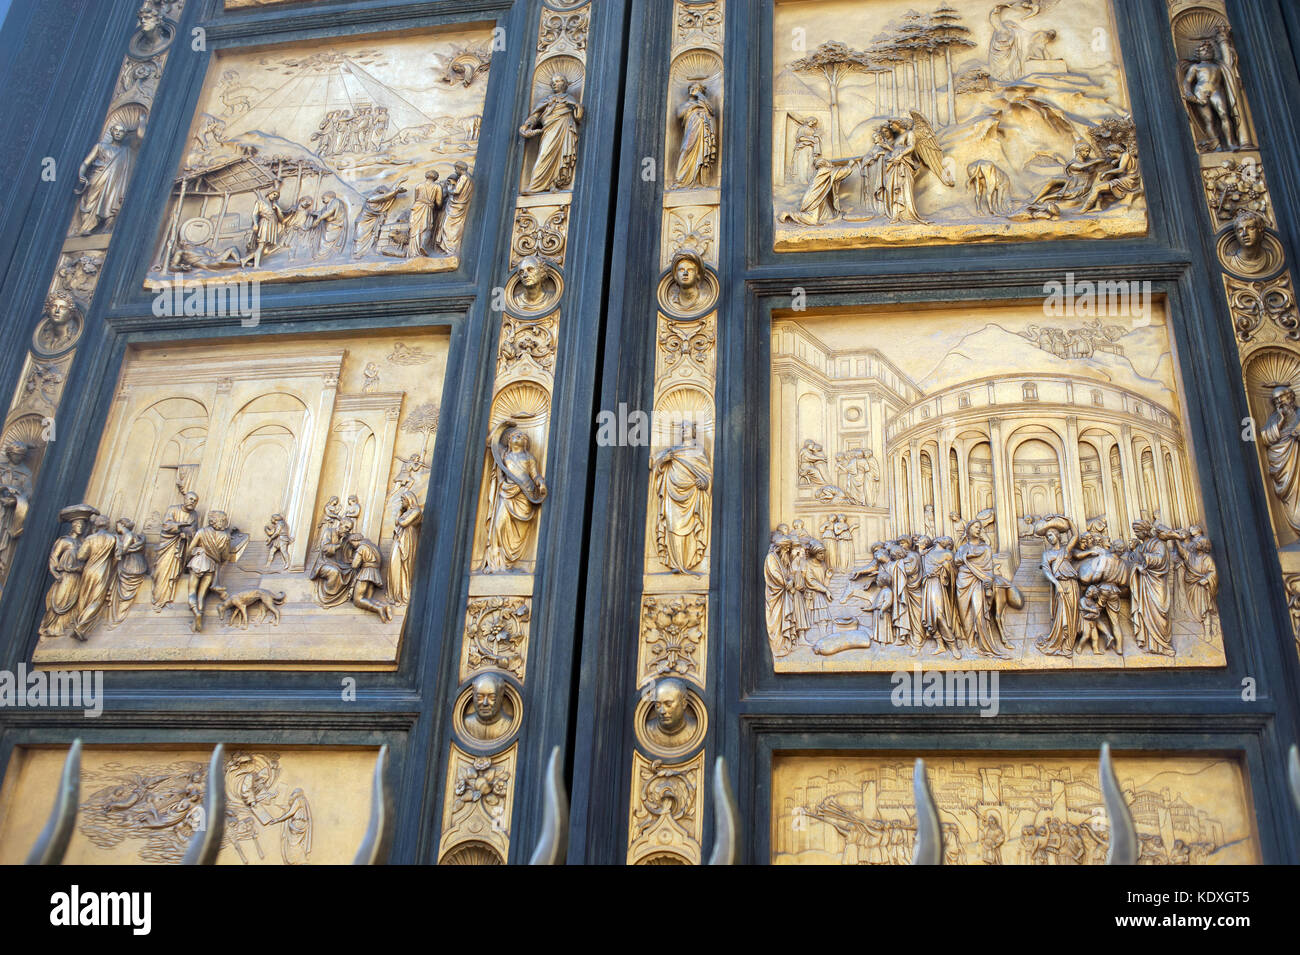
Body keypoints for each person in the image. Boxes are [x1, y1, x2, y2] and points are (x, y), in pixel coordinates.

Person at [481, 425, 547, 572]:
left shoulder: (529, 458)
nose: (520, 437)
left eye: (523, 436)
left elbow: (534, 475)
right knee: (499, 523)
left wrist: (541, 483)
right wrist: (500, 428)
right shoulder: (505, 455)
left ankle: (513, 562)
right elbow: (490, 443)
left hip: (524, 495)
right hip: (507, 493)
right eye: (517, 435)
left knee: (520, 531)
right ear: (509, 441)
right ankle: (497, 562)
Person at [650, 420, 710, 573]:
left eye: (687, 428)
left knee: (689, 529)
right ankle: (676, 563)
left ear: (694, 431)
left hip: (691, 496)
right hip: (672, 494)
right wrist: (664, 460)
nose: (684, 430)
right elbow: (655, 465)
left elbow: (706, 476)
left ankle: (686, 562)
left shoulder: (698, 452)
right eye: (682, 428)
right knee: (672, 527)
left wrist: (703, 483)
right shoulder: (673, 452)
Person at [520, 74, 584, 193]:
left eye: (558, 81)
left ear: (565, 84)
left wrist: (577, 107)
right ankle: (534, 186)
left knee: (561, 155)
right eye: (553, 82)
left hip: (563, 128)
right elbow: (536, 115)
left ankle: (555, 183)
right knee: (544, 154)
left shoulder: (570, 99)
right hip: (549, 130)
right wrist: (527, 125)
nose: (555, 84)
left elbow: (578, 116)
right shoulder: (546, 100)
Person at [151, 491, 198, 610]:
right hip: (168, 545)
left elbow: (193, 532)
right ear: (185, 498)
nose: (192, 501)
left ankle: (167, 599)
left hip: (181, 548)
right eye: (190, 499)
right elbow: (166, 525)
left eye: (195, 500)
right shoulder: (173, 509)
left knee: (174, 572)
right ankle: (158, 600)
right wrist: (180, 526)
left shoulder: (194, 515)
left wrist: (186, 534)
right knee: (162, 570)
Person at [672, 83, 717, 188]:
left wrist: (701, 97)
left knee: (701, 154)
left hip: (701, 133)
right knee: (686, 150)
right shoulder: (688, 104)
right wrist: (695, 106)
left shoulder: (703, 104)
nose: (693, 89)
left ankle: (698, 180)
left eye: (696, 88)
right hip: (691, 131)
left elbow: (712, 111)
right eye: (692, 88)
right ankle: (680, 179)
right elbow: (679, 113)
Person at [387, 491, 422, 606]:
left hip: (408, 541)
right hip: (399, 539)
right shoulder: (405, 512)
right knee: (394, 564)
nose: (401, 502)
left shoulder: (416, 511)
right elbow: (398, 522)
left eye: (403, 500)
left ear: (409, 500)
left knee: (405, 566)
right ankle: (395, 593)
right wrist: (400, 512)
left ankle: (403, 594)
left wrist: (401, 515)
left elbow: (403, 523)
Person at [435, 162, 474, 253]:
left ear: (459, 168)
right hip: (460, 205)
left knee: (448, 226)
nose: (455, 171)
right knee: (452, 227)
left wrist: (449, 188)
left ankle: (450, 249)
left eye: (456, 169)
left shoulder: (464, 177)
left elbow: (457, 191)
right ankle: (448, 249)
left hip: (456, 206)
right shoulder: (469, 178)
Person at [407, 170, 444, 257]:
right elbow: (439, 203)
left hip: (416, 208)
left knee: (414, 229)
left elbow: (416, 200)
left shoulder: (418, 186)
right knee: (426, 227)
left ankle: (412, 252)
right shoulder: (437, 187)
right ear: (436, 177)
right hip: (426, 208)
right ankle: (422, 247)